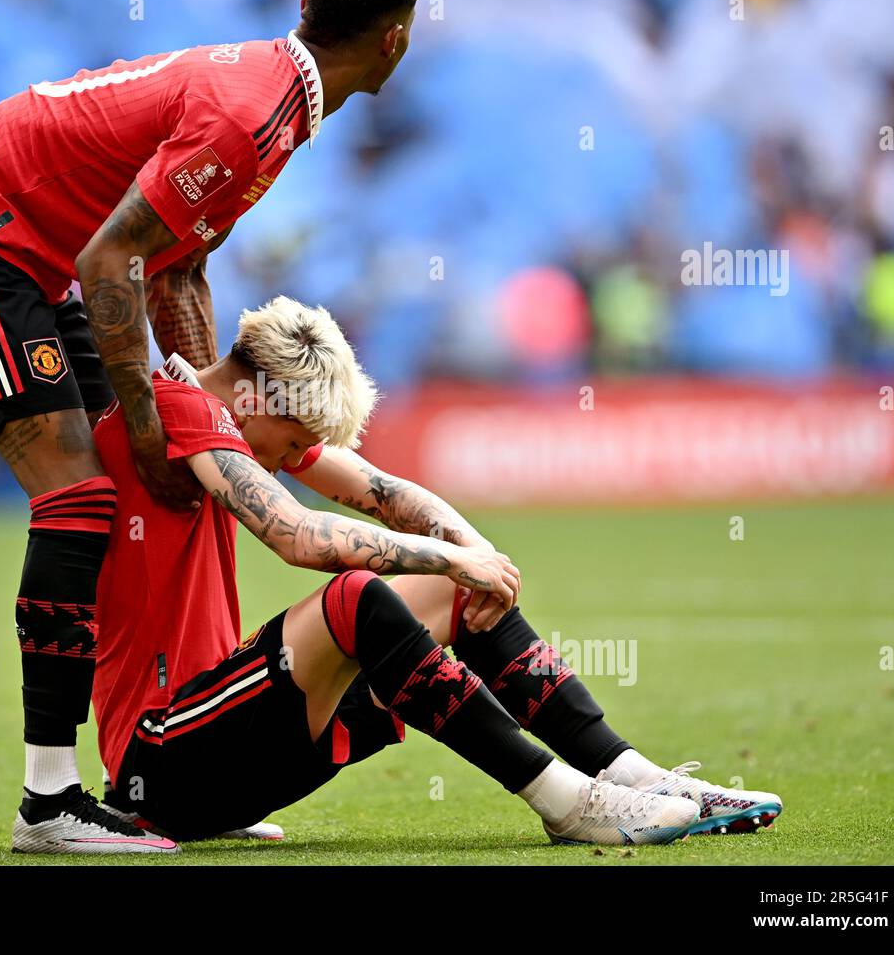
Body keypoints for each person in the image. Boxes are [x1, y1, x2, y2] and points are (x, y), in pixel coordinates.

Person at [0, 0, 422, 852]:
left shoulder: (271, 99)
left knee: (171, 480)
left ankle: (173, 762)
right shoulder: (251, 117)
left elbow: (175, 271)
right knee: (83, 493)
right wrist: (151, 414)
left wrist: (204, 419)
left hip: (38, 260)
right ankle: (48, 803)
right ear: (396, 42)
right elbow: (109, 261)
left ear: (304, 2)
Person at [93, 297, 784, 847]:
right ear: (258, 398)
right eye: (295, 443)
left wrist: (470, 550)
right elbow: (296, 534)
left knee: (450, 586)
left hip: (229, 750)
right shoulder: (179, 409)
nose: (291, 459)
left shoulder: (237, 418)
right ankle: (565, 801)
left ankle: (630, 773)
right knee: (356, 600)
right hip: (160, 761)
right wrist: (452, 555)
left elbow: (380, 490)